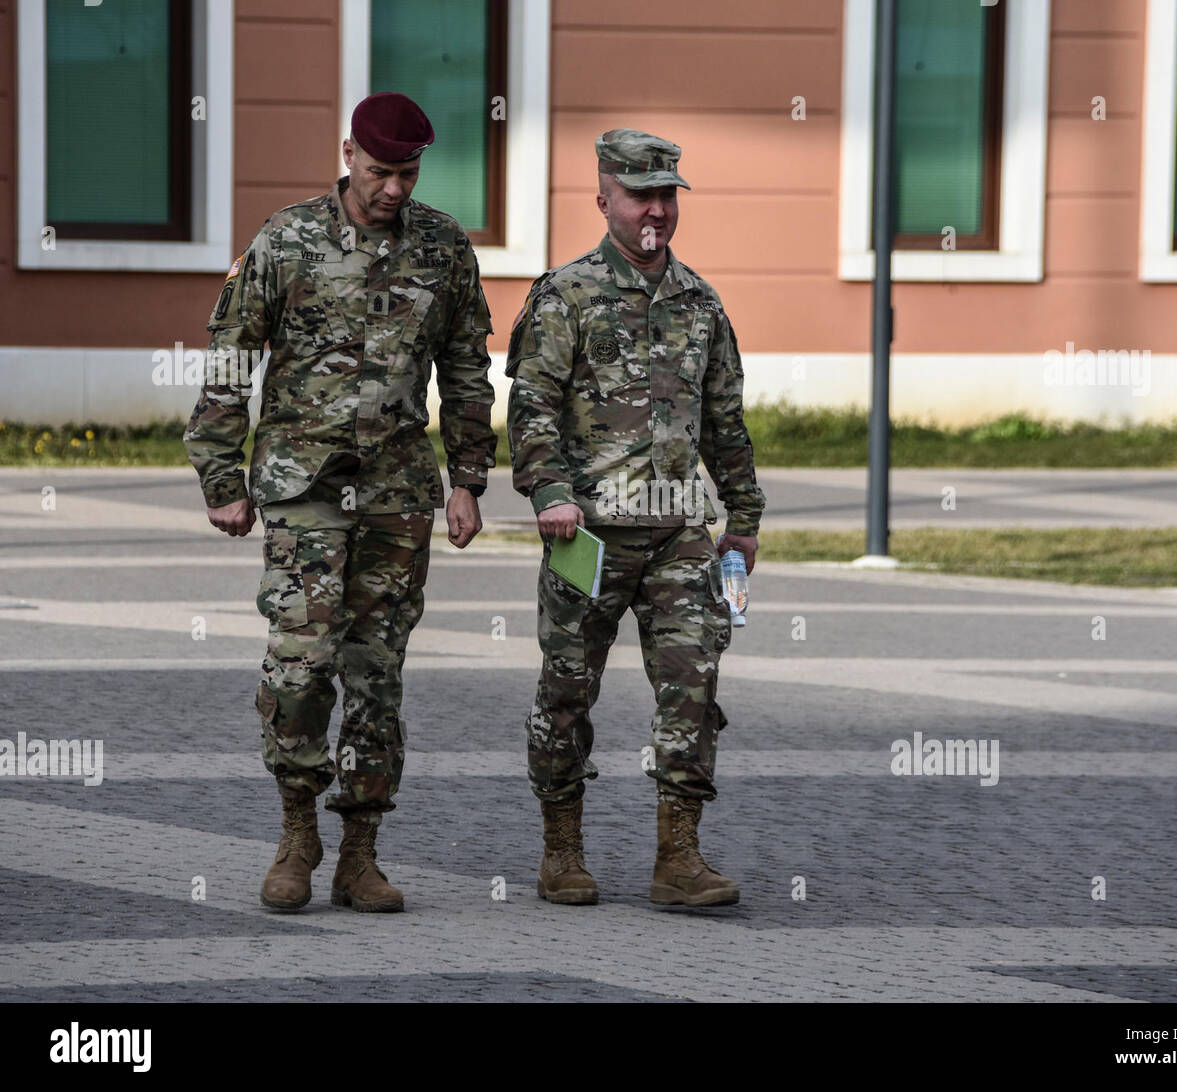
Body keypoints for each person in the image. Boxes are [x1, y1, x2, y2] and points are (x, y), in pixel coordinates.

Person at [184, 92, 496, 913]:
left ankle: (361, 852)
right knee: (301, 668)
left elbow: (467, 369)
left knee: (378, 675)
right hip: (304, 489)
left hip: (398, 492)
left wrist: (468, 478)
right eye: (381, 170)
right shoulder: (285, 240)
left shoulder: (443, 247)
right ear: (348, 154)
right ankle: (297, 831)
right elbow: (230, 358)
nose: (394, 187)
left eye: (409, 172)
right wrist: (221, 478)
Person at [506, 129, 765, 908]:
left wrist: (743, 516)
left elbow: (725, 420)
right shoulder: (567, 296)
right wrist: (548, 489)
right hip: (584, 533)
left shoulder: (700, 302)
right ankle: (562, 851)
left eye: (665, 196)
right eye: (639, 195)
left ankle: (677, 859)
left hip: (678, 534)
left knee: (692, 684)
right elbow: (532, 407)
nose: (655, 210)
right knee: (565, 691)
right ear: (604, 199)